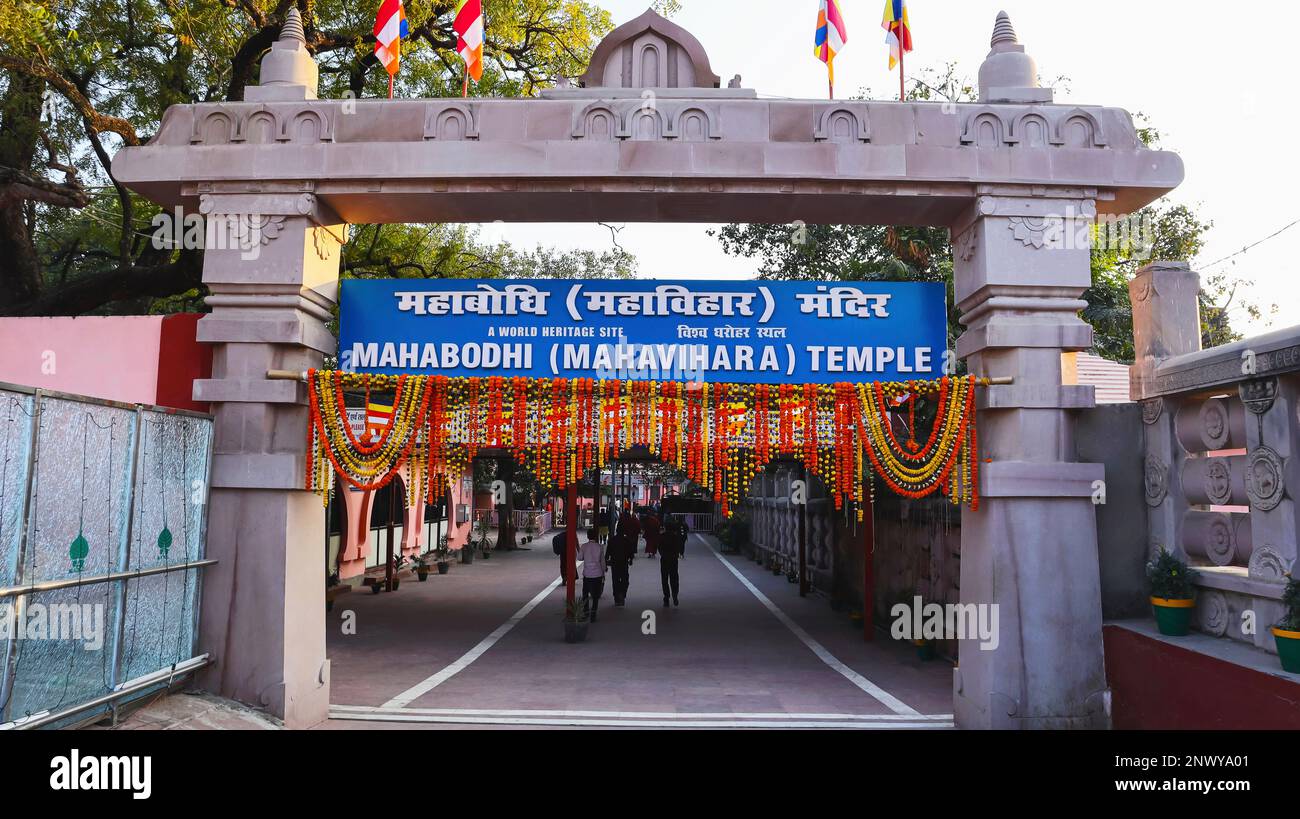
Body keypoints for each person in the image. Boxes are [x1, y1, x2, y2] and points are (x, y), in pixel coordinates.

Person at [577, 527, 606, 621]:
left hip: (587, 574)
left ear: (587, 536)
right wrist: (603, 571)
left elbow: (579, 558)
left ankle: (586, 612)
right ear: (596, 536)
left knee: (585, 594)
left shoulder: (584, 546)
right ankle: (593, 613)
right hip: (597, 574)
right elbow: (602, 562)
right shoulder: (600, 547)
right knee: (595, 595)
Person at [659, 516, 688, 607]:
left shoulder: (662, 537)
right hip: (673, 560)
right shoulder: (675, 537)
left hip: (664, 560)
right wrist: (675, 555)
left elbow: (659, 548)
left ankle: (666, 598)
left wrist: (663, 555)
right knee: (674, 578)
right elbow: (678, 547)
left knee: (664, 579)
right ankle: (675, 595)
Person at [605, 525, 636, 607]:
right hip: (624, 563)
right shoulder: (627, 540)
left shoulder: (612, 540)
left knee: (615, 580)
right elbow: (631, 552)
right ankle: (622, 593)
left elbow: (608, 552)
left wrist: (606, 561)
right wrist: (631, 560)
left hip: (614, 563)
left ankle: (616, 598)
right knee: (625, 580)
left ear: (617, 531)